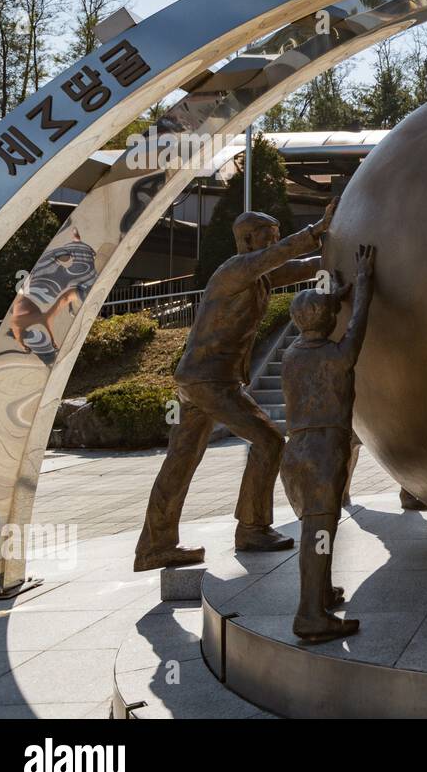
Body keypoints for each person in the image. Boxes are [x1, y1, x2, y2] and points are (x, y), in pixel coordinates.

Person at [133, 199, 337, 571]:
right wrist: (315, 231)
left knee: (180, 460)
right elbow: (278, 257)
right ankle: (252, 527)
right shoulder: (236, 270)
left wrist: (341, 254)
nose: (274, 243)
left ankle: (154, 546)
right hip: (210, 380)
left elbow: (303, 267)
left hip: (203, 379)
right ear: (246, 240)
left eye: (277, 236)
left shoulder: (258, 275)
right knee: (269, 440)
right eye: (268, 238)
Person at [281, 245, 375, 642]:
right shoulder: (339, 356)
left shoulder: (290, 355)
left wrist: (330, 298)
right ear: (329, 318)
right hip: (323, 453)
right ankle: (309, 616)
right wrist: (364, 284)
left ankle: (320, 593)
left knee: (315, 529)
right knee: (318, 533)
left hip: (295, 452)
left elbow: (322, 319)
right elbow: (359, 325)